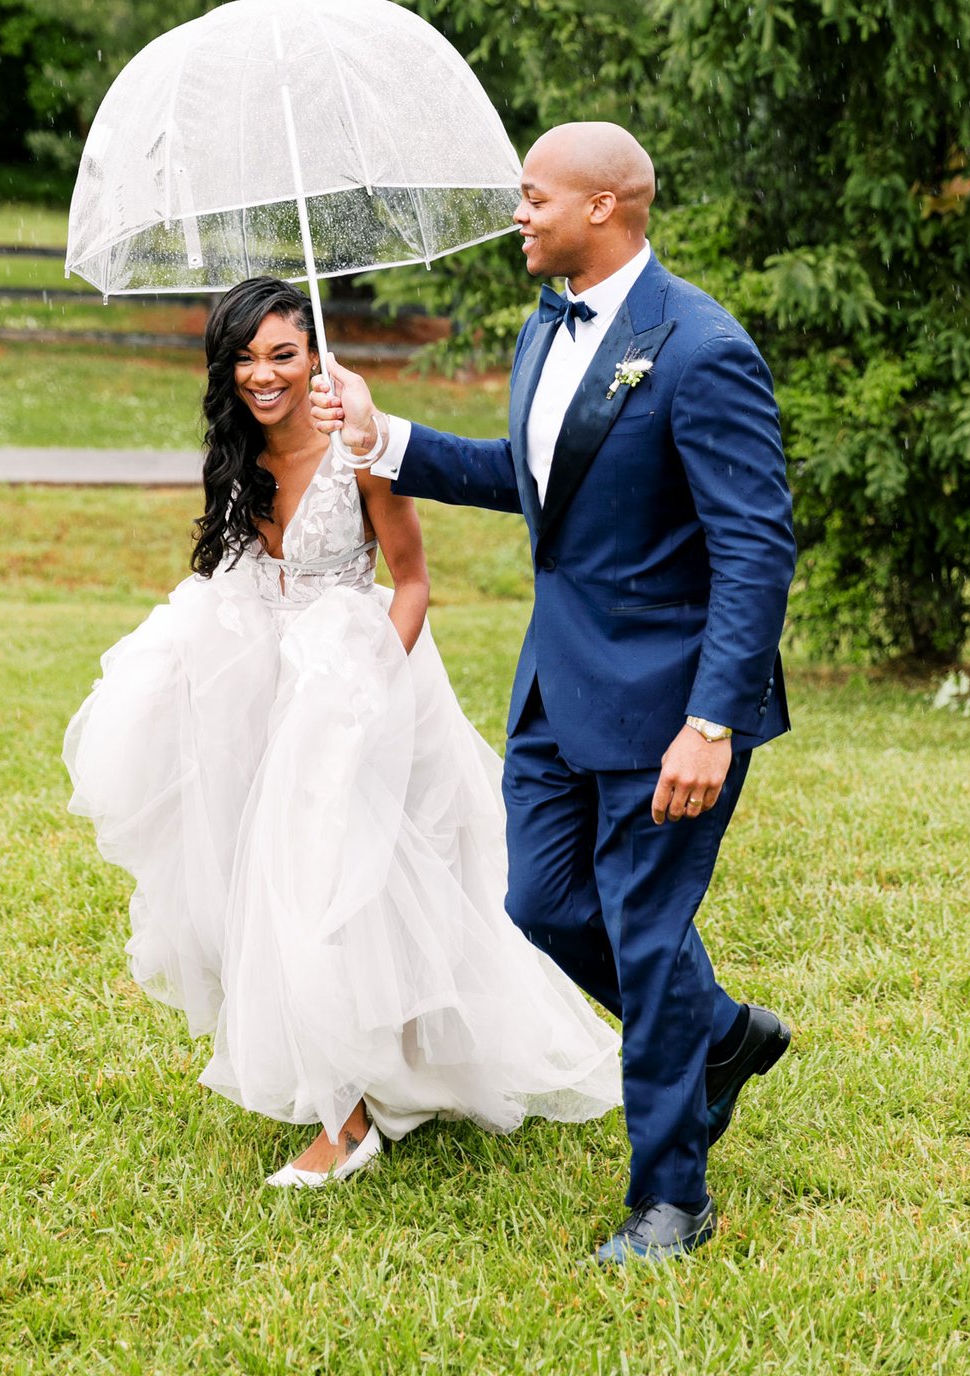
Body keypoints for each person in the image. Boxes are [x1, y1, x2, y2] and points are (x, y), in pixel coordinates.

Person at [313, 121, 796, 1261]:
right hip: (553, 690)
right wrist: (387, 441)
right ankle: (718, 1035)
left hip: (671, 708)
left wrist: (710, 722)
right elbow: (530, 482)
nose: (516, 215)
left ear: (604, 208)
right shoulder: (549, 323)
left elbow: (753, 549)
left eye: (533, 198)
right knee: (540, 905)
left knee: (640, 930)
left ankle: (669, 1199)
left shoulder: (699, 350)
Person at [63, 274, 623, 1187]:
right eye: (244, 357)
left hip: (353, 681)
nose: (262, 374)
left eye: (283, 354)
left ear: (316, 356)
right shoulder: (237, 451)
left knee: (319, 884)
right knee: (256, 883)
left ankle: (347, 1120)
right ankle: (367, 1070)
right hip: (252, 682)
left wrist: (371, 688)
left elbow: (411, 583)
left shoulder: (358, 447)